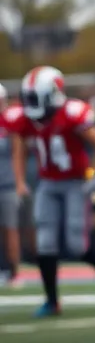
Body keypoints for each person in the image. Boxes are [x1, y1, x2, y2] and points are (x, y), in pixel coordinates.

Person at [6, 67, 95, 316]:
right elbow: (19, 150)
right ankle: (52, 301)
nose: (31, 105)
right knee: (45, 243)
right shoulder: (25, 120)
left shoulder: (71, 114)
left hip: (75, 182)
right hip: (47, 183)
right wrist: (21, 181)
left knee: (76, 244)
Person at [0, 84, 22, 287]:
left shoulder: (10, 122)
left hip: (7, 184)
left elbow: (17, 153)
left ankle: (13, 271)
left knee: (10, 229)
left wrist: (19, 181)